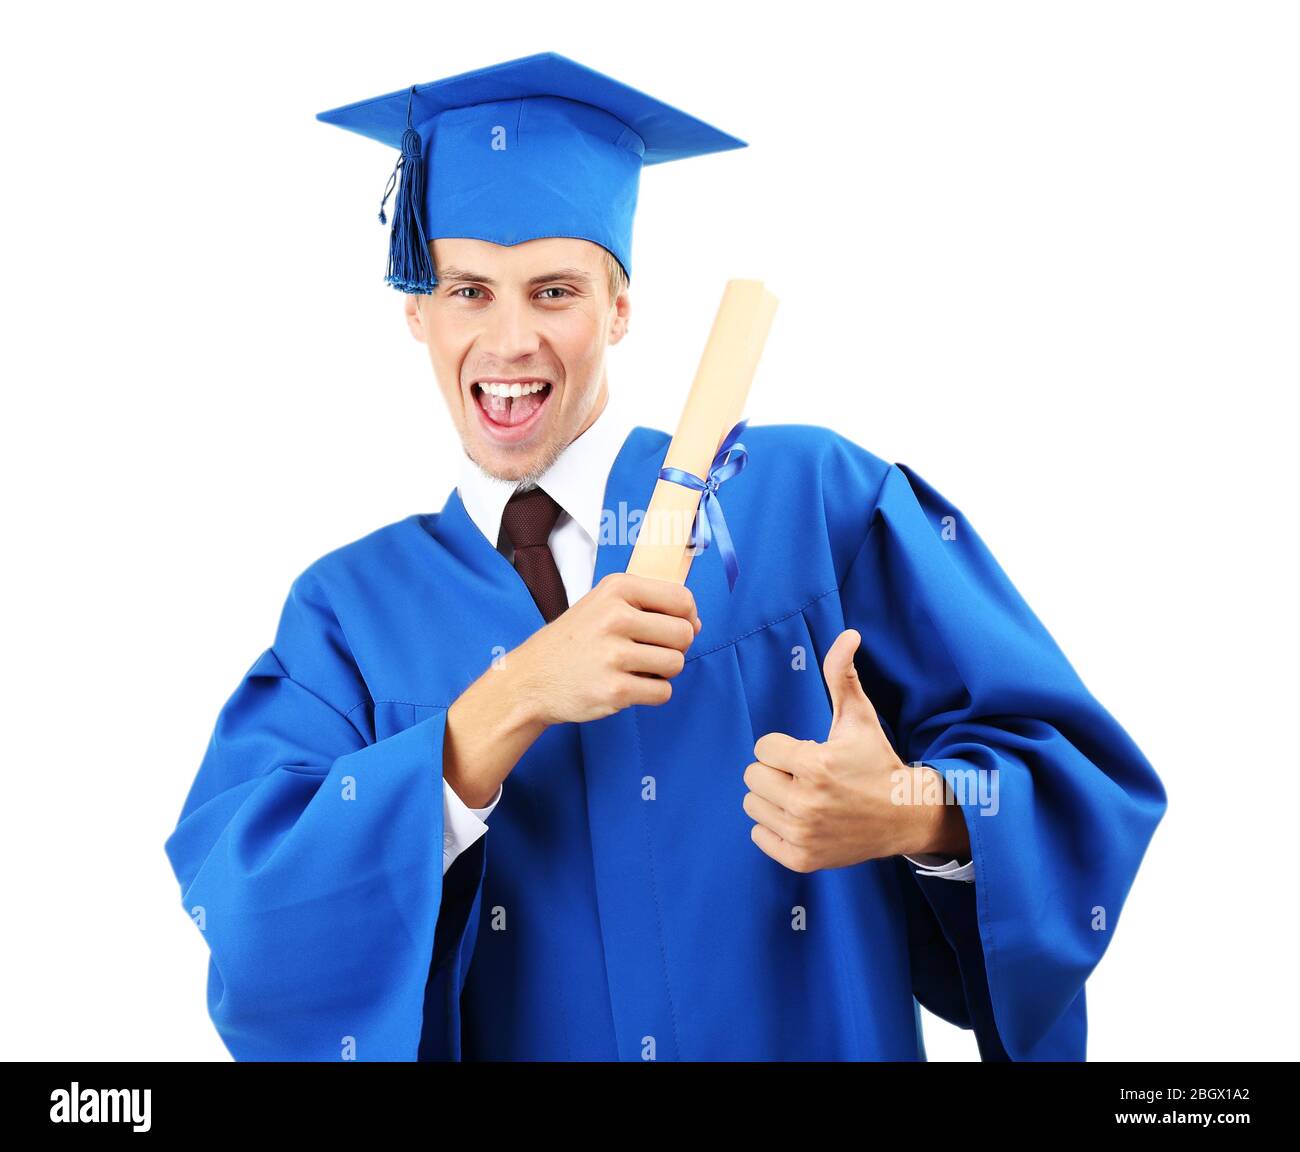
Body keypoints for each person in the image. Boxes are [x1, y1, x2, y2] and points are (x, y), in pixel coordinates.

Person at [163, 51, 1166, 1061]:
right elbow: (251, 926)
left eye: (553, 289)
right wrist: (505, 703)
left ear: (620, 307)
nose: (510, 340)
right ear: (415, 310)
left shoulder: (805, 506)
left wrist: (913, 811)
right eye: (469, 290)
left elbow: (1079, 786)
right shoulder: (349, 617)